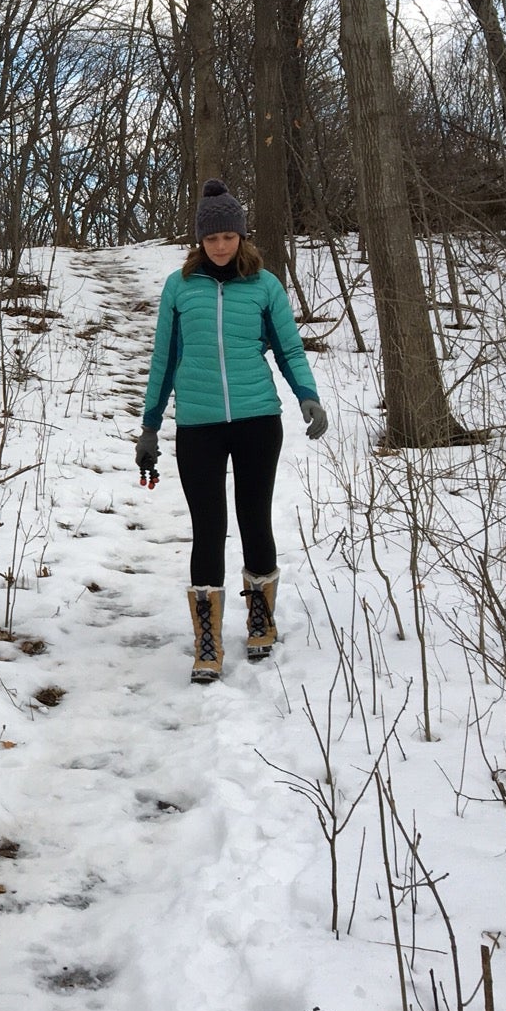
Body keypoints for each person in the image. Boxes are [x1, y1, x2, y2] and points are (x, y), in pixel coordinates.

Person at [136, 180, 328, 683]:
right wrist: (150, 425)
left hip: (257, 420)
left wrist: (307, 394)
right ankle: (208, 639)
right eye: (211, 237)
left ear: (242, 236)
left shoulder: (265, 286)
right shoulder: (180, 288)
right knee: (207, 529)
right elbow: (165, 357)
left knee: (253, 518)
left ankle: (260, 619)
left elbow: (289, 349)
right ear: (200, 241)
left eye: (228, 236)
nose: (220, 245)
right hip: (198, 424)